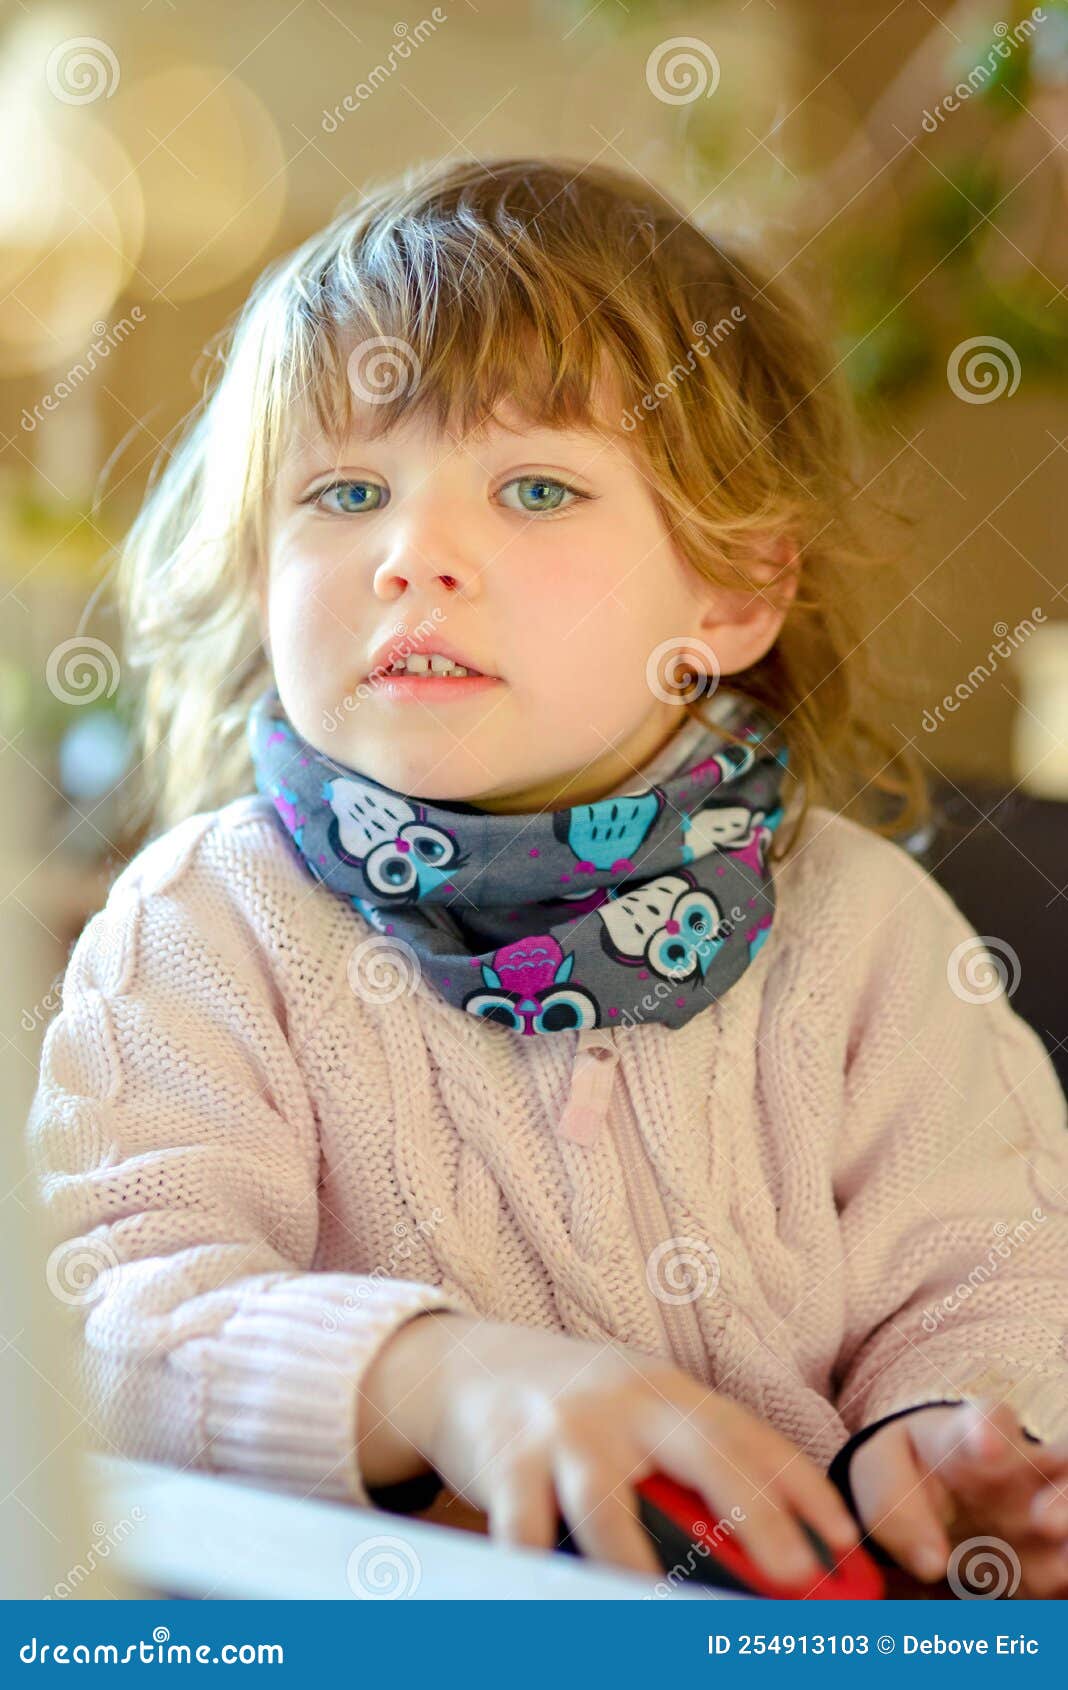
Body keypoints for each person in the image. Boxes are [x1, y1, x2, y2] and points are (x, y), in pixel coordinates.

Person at [27, 156, 1068, 1596]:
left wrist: (945, 1438)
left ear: (732, 593)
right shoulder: (206, 923)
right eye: (344, 489)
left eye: (533, 486)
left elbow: (992, 1267)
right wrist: (437, 1375)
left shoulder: (867, 929)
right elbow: (93, 1327)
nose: (414, 556)